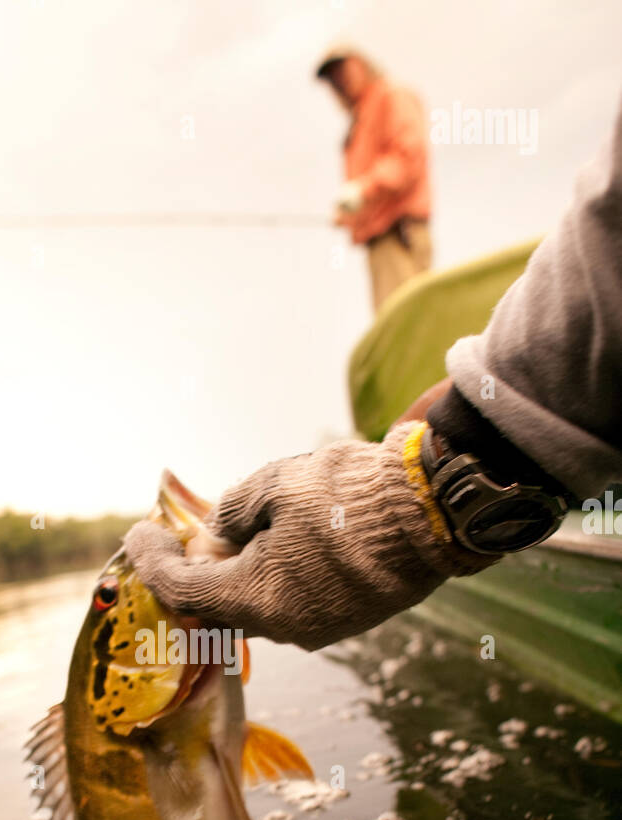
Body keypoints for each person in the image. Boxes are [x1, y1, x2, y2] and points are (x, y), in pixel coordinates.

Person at [125, 96, 622, 653]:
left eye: (337, 77)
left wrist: (417, 497)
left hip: (399, 228)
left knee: (403, 307)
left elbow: (405, 156)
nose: (335, 89)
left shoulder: (388, 103)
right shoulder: (358, 123)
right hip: (390, 235)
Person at [316, 45, 432, 312]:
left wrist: (363, 191)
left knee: (404, 324)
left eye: (341, 70)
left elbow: (408, 156)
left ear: (361, 63)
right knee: (395, 323)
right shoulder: (360, 120)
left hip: (399, 235)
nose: (338, 81)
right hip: (381, 242)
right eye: (331, 78)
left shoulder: (391, 96)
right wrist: (349, 214)